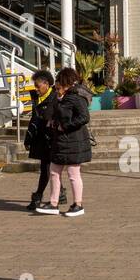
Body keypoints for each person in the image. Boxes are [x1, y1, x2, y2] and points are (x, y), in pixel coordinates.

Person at [35, 67, 92, 217]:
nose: (58, 85)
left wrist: (65, 125)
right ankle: (53, 203)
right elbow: (53, 114)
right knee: (54, 171)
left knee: (73, 173)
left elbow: (84, 117)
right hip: (61, 141)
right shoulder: (61, 97)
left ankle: (78, 204)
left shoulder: (76, 97)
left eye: (60, 81)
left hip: (73, 141)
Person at [24, 70, 63, 211]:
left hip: (51, 139)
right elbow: (34, 118)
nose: (36, 89)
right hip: (39, 137)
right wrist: (28, 138)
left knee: (46, 169)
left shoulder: (55, 97)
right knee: (51, 168)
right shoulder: (36, 97)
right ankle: (61, 192)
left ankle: (38, 196)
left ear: (46, 84)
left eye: (38, 86)